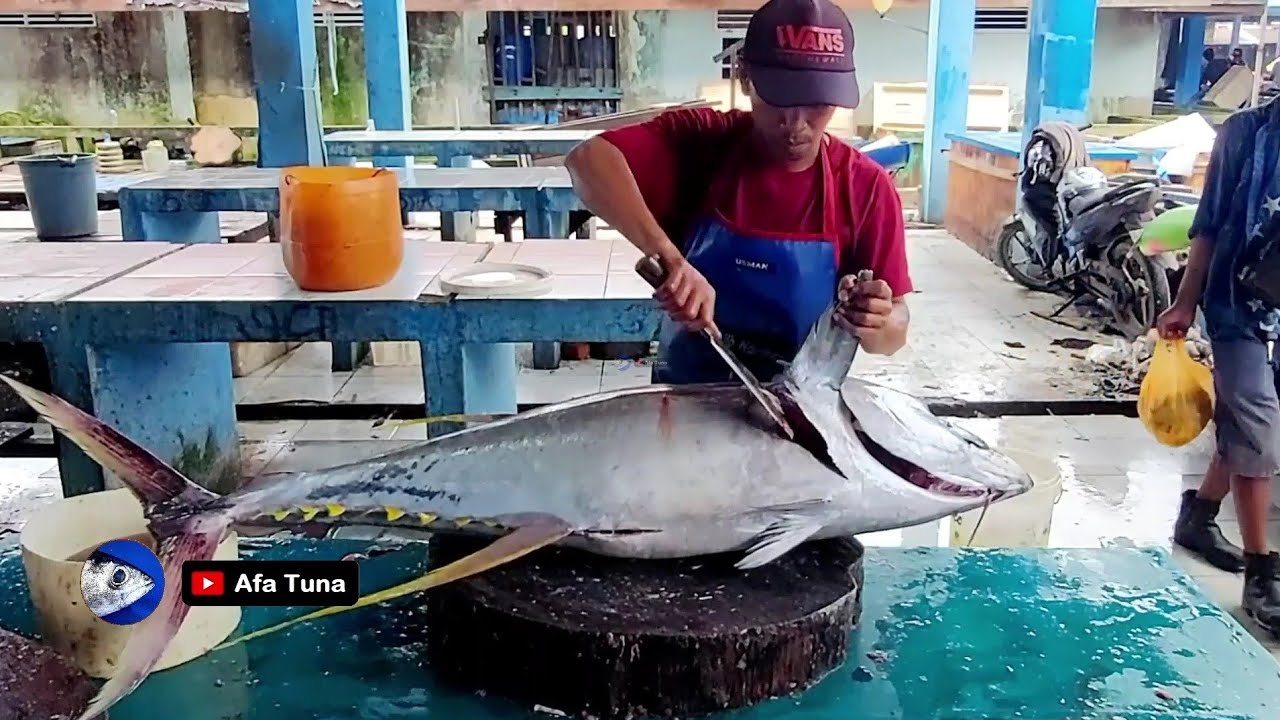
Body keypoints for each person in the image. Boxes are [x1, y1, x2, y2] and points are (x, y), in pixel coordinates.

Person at [565, 0, 910, 385]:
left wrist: (877, 321)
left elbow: (894, 332)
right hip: (686, 397)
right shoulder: (700, 143)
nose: (797, 124)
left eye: (816, 103)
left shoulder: (866, 187)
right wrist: (670, 259)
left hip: (801, 405)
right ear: (745, 77)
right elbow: (587, 160)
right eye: (779, 98)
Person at [1158, 98, 1280, 635]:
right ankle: (1261, 574)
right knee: (1258, 429)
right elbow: (1208, 225)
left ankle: (1199, 516)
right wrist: (1184, 302)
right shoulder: (1245, 133)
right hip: (1237, 303)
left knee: (1248, 423)